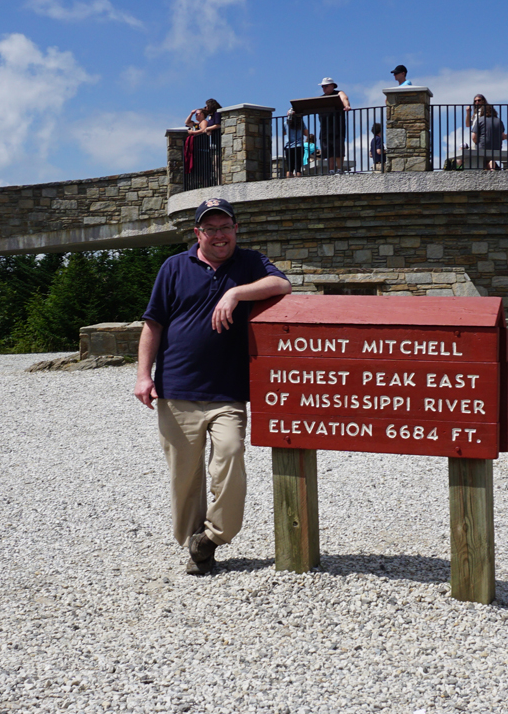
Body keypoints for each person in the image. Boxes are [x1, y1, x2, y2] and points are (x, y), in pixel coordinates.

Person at [135, 198, 292, 576]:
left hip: (228, 392)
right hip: (176, 391)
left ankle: (216, 535)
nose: (219, 236)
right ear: (197, 233)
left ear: (236, 229)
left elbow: (283, 284)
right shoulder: (174, 267)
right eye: (211, 229)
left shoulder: (250, 263)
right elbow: (153, 324)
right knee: (184, 477)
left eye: (225, 227)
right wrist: (143, 375)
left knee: (231, 455)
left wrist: (235, 293)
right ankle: (196, 548)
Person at [317, 77, 350, 174]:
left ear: (332, 86)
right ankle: (331, 170)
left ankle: (340, 170)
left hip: (337, 127)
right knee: (328, 151)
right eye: (322, 87)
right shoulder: (321, 98)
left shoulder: (338, 93)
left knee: (338, 149)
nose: (324, 88)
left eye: (325, 86)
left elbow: (344, 98)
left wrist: (346, 105)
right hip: (325, 128)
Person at [470, 100, 506, 170]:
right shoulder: (499, 121)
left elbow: (474, 136)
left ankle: (488, 168)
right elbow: (503, 136)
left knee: (479, 156)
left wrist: (477, 142)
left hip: (483, 146)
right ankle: (492, 166)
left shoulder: (480, 120)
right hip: (497, 147)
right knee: (491, 157)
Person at [283, 109, 308, 177]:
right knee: (298, 169)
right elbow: (306, 133)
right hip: (299, 146)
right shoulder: (301, 122)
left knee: (289, 168)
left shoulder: (286, 123)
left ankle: (288, 184)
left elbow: (284, 133)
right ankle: (298, 184)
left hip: (289, 147)